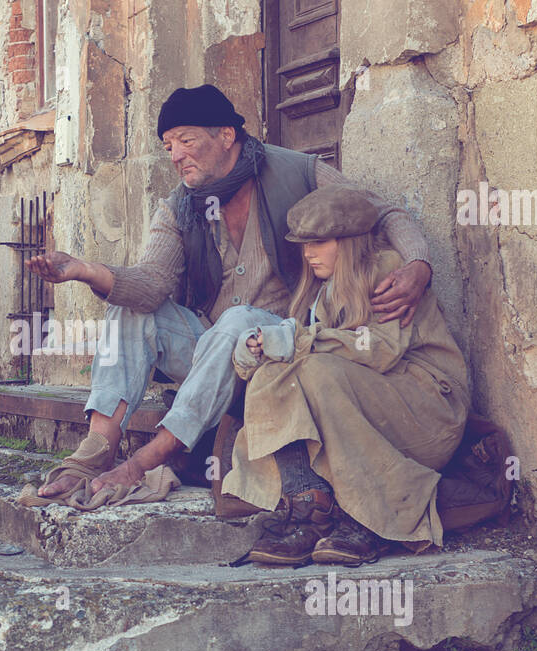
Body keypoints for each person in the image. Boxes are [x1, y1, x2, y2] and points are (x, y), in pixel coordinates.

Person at [23, 83, 434, 507]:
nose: (176, 155)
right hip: (211, 354)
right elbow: (150, 284)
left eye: (186, 141)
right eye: (168, 146)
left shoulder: (297, 173)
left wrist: (418, 264)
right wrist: (85, 270)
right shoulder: (179, 206)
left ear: (225, 135)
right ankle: (94, 454)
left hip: (280, 351)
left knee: (238, 322)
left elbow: (382, 211)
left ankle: (148, 460)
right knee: (130, 311)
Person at [225, 185, 470, 567]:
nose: (308, 253)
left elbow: (380, 349)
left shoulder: (386, 269)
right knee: (273, 375)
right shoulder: (322, 289)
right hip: (377, 404)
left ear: (350, 241)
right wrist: (254, 352)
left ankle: (368, 518)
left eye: (319, 242)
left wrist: (297, 340)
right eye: (304, 244)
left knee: (315, 370)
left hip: (430, 407)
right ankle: (309, 506)